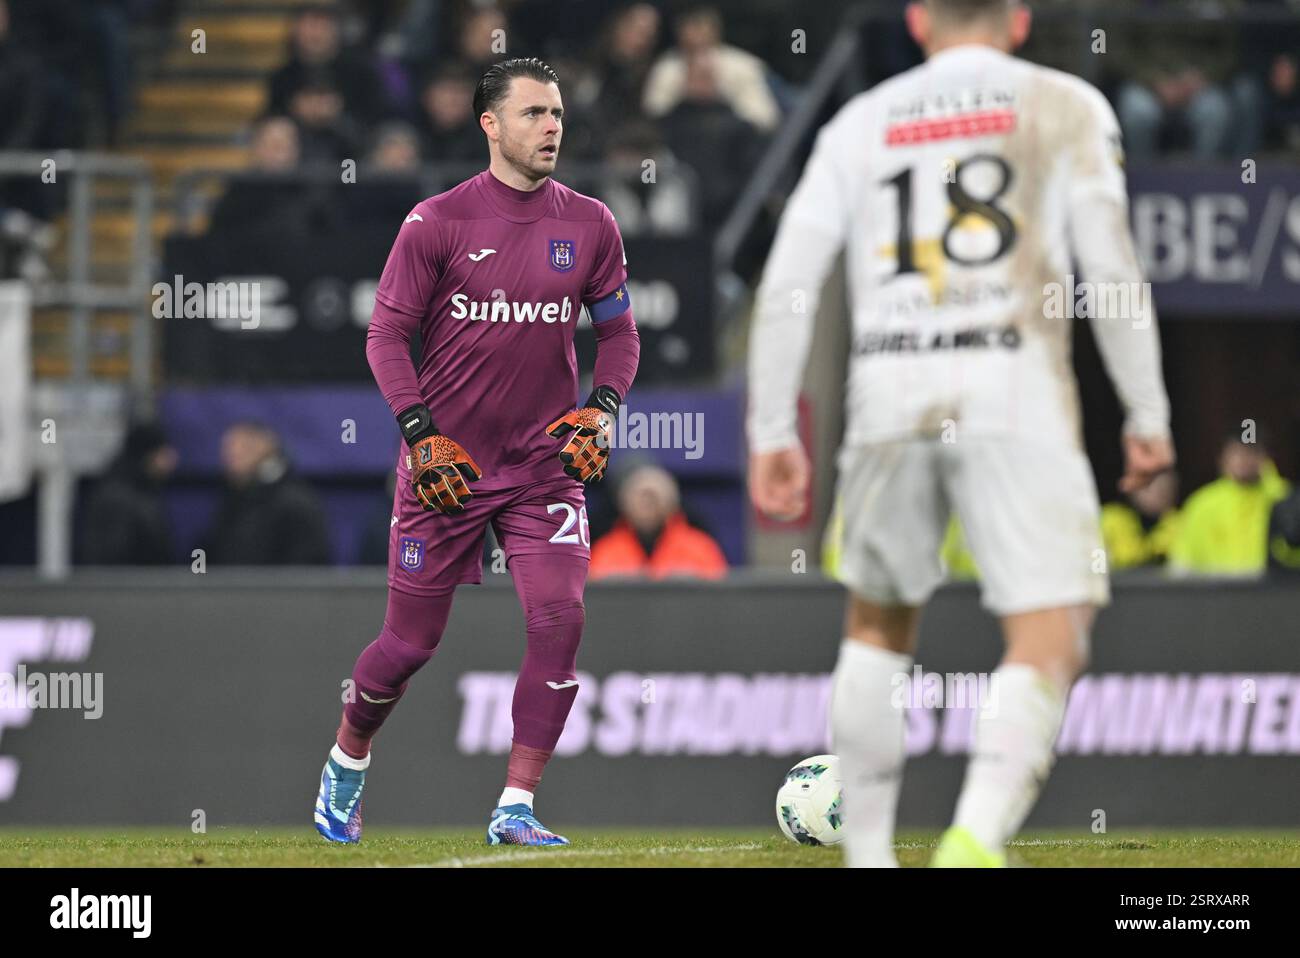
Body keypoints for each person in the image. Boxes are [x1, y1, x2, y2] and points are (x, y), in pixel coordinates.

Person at [747, 0, 1174, 868]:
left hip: (886, 392)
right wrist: (1148, 412)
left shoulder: (858, 123)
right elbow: (1111, 267)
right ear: (1019, 20)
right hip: (1013, 385)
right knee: (1050, 629)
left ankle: (869, 859)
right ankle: (974, 842)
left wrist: (769, 425)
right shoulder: (1066, 104)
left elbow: (789, 279)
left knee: (876, 626)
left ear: (916, 21)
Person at [314, 58, 640, 847]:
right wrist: (420, 434)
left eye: (557, 112)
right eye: (533, 113)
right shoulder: (437, 223)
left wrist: (600, 411)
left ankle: (515, 805)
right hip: (447, 470)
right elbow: (386, 333)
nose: (553, 126)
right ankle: (348, 757)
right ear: (489, 125)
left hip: (543, 470)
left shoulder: (591, 222)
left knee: (560, 619)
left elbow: (620, 333)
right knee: (407, 647)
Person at [204, 422, 332, 565]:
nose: (232, 455)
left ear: (267, 448)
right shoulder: (230, 500)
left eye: (244, 447)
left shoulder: (295, 502)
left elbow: (309, 563)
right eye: (228, 448)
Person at [1168, 431, 1291, 577]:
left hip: (1274, 593)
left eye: (1251, 452)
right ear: (1222, 458)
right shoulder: (1203, 503)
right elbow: (1183, 562)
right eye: (1237, 453)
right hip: (1215, 594)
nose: (1244, 460)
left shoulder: (1284, 498)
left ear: (1265, 457)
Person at [589, 464, 727, 580]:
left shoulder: (701, 550)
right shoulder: (605, 551)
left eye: (653, 498)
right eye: (640, 498)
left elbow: (721, 601)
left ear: (672, 503)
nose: (646, 505)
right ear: (624, 504)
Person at [78, 422, 177, 566]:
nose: (172, 459)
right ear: (149, 455)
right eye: (164, 452)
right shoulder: (120, 499)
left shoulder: (142, 492)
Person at [1100, 469, 1181, 570]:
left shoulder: (1181, 524)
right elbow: (1095, 565)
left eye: (1165, 489)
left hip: (1165, 585)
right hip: (1116, 583)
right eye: (1148, 486)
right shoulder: (1111, 519)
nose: (1157, 494)